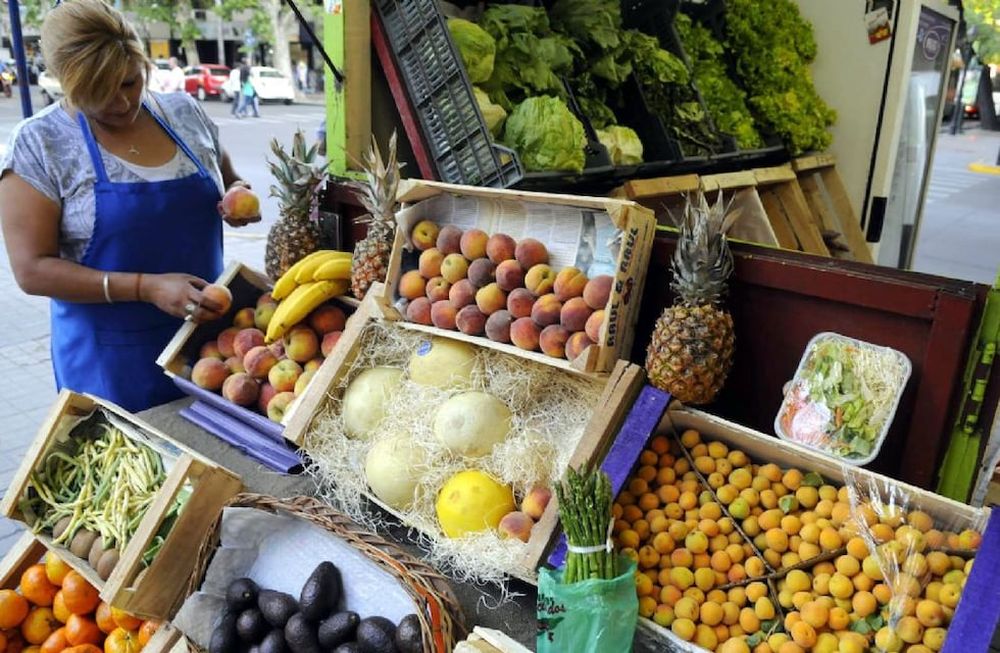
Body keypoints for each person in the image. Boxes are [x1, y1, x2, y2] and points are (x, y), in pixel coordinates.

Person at [0, 0, 259, 412]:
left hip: (208, 344)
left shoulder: (184, 113)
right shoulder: (41, 143)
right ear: (64, 82)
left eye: (129, 83)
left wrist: (239, 197)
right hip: (108, 362)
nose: (121, 103)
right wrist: (146, 287)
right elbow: (31, 270)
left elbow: (230, 180)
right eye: (97, 93)